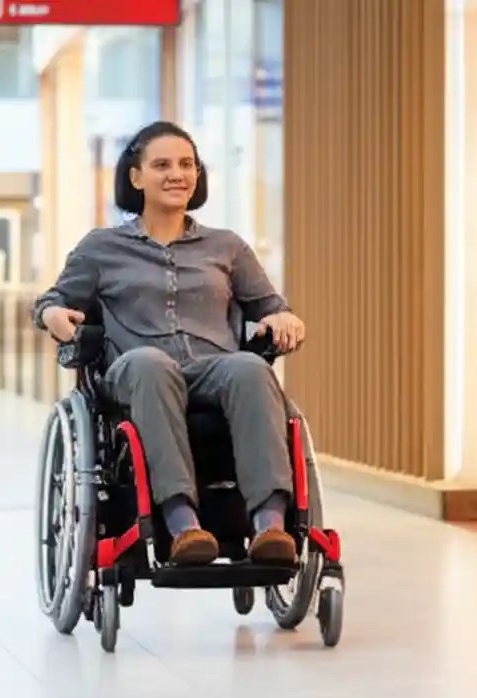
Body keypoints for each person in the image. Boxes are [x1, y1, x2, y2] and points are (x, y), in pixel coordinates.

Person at [33, 121, 306, 566]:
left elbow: (270, 305)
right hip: (135, 371)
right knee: (151, 364)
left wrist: (281, 317)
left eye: (186, 164)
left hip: (213, 370)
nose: (176, 174)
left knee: (251, 368)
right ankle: (183, 524)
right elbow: (53, 300)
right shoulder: (102, 247)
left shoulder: (227, 246)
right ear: (136, 177)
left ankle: (270, 526)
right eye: (161, 165)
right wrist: (53, 314)